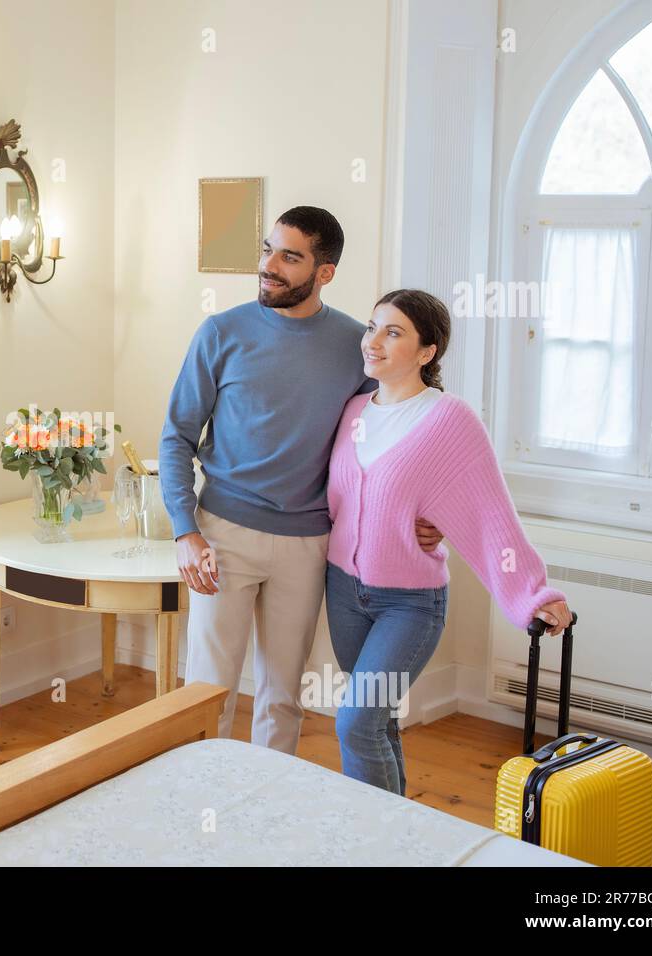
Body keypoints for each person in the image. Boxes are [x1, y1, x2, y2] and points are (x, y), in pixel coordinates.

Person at [159, 206, 442, 752]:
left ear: (325, 271)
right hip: (222, 535)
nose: (270, 266)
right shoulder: (221, 332)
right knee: (206, 692)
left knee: (283, 695)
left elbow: (385, 441)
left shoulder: (355, 346)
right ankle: (196, 808)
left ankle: (268, 807)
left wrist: (422, 513)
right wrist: (184, 530)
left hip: (309, 544)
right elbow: (176, 436)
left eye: (290, 257)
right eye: (268, 250)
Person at [324, 288, 571, 795]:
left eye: (394, 332)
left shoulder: (449, 420)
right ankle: (402, 843)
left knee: (355, 722)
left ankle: (375, 844)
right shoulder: (351, 412)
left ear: (426, 352)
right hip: (344, 593)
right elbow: (338, 499)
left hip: (408, 604)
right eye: (373, 327)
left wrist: (533, 594)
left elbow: (489, 515)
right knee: (378, 722)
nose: (374, 341)